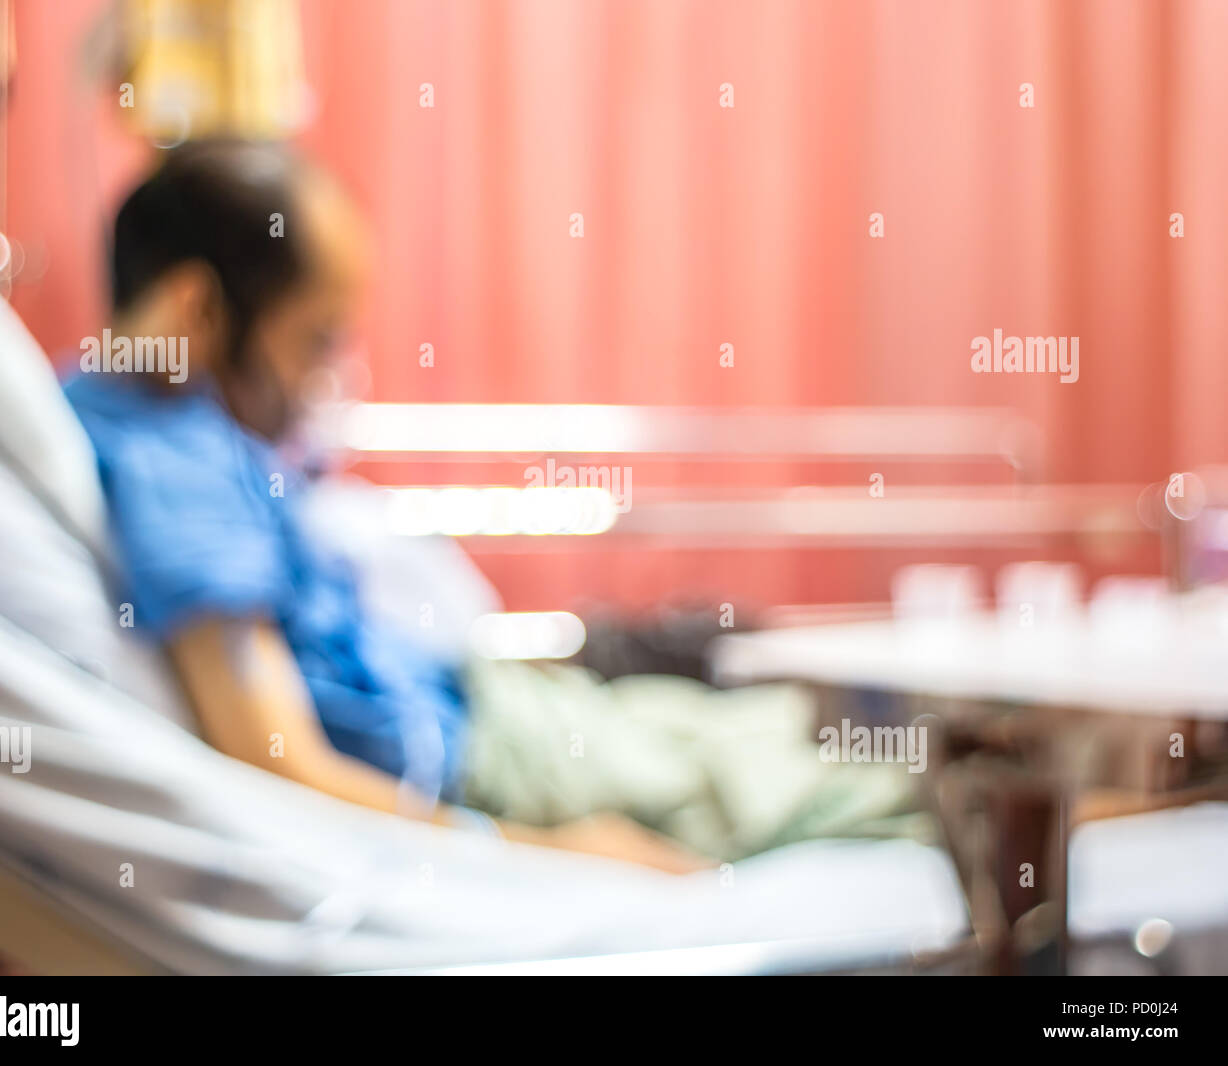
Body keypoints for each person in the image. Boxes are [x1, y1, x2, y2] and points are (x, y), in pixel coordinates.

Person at [66, 139, 925, 874]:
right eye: (316, 339)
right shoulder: (173, 461)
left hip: (482, 709)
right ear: (198, 307)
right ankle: (1031, 823)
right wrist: (540, 854)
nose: (324, 377)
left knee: (762, 728)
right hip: (494, 762)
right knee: (808, 775)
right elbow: (277, 762)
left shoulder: (154, 422)